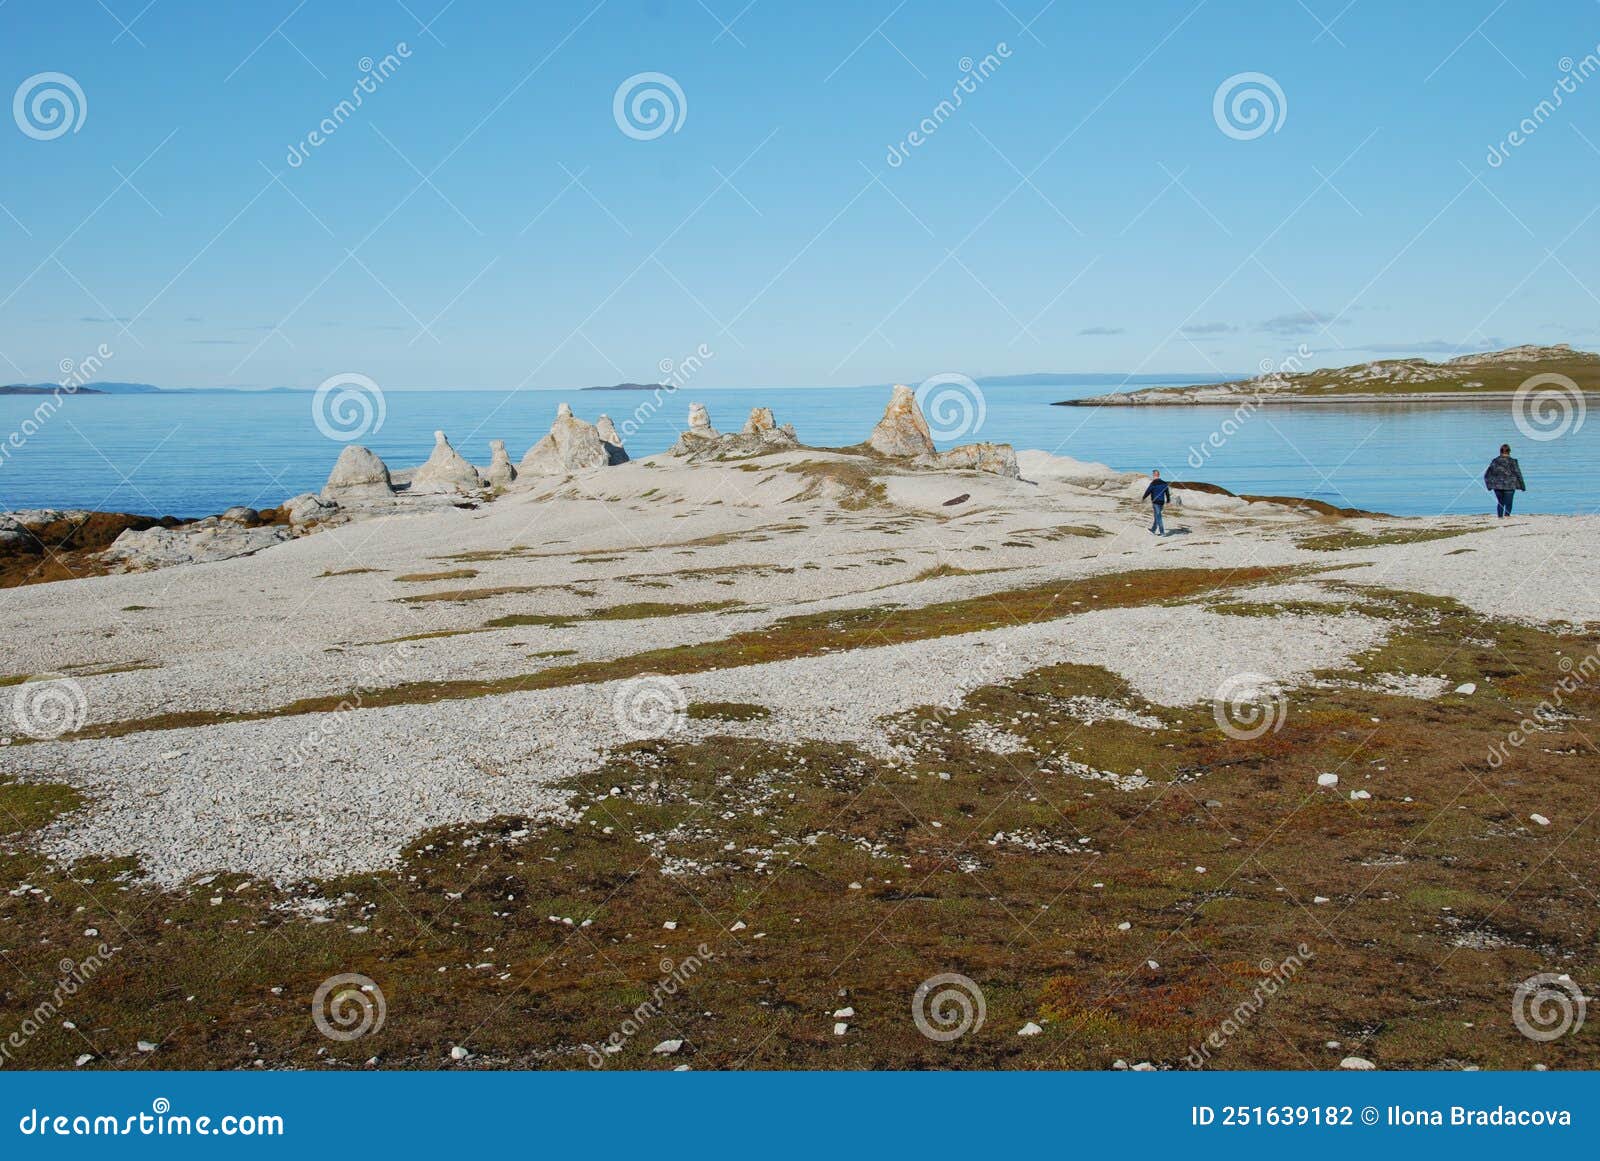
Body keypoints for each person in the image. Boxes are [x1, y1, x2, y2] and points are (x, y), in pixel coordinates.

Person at [1483, 443, 1526, 517]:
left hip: (1497, 485)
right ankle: (1507, 516)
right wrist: (1522, 486)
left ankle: (1500, 517)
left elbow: (1487, 475)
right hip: (1510, 485)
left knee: (1500, 502)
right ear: (1509, 451)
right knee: (1508, 503)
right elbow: (1518, 473)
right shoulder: (1513, 461)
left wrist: (1489, 486)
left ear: (1500, 451)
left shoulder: (1495, 461)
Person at [1142, 469, 1170, 536]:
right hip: (1162, 502)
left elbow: (1148, 491)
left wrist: (1143, 497)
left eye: (1153, 475)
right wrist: (1168, 500)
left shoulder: (1153, 483)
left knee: (1158, 517)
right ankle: (1153, 529)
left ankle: (1162, 533)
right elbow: (1167, 492)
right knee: (1157, 516)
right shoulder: (1164, 483)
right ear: (1158, 475)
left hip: (1156, 502)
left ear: (1154, 475)